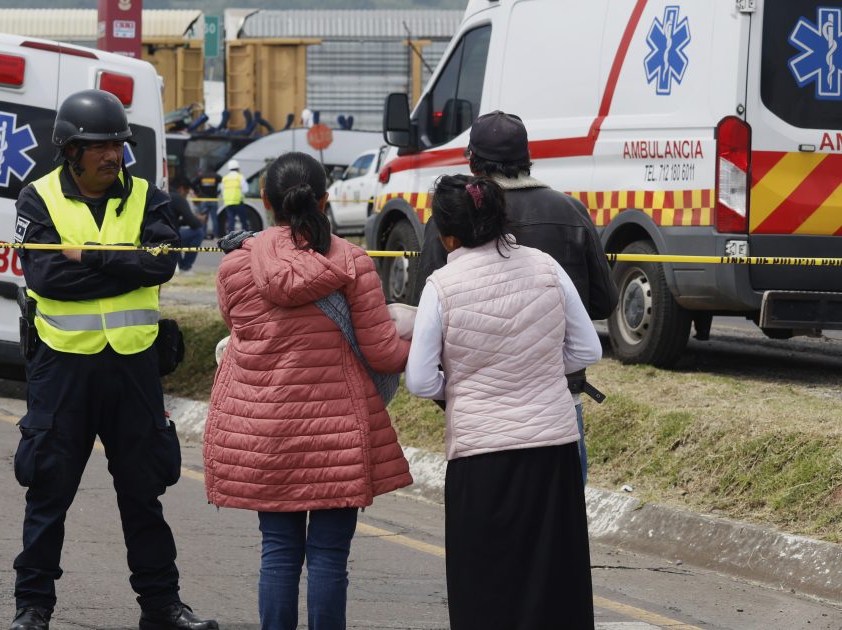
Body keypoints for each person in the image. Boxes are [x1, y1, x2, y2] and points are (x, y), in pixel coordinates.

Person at [10, 89, 218, 630]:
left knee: (143, 494)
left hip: (134, 368)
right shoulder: (38, 199)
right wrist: (123, 264)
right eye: (100, 146)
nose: (113, 155)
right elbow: (47, 276)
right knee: (48, 492)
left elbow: (161, 267)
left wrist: (91, 257)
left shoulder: (150, 197)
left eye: (119, 145)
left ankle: (162, 608)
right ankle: (32, 608)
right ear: (71, 150)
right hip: (64, 367)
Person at [204, 151, 413, 630]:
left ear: (265, 200)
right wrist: (424, 347)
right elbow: (381, 353)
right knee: (328, 557)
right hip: (336, 435)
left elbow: (239, 332)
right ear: (324, 200)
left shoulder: (234, 267)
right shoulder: (350, 260)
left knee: (277, 554)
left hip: (267, 433)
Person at [405, 174, 601, 629]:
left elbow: (419, 379)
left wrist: (459, 387)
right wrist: (544, 368)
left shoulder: (442, 285)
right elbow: (588, 350)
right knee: (553, 580)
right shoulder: (546, 267)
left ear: (447, 234)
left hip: (482, 456)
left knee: (487, 584)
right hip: (552, 449)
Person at [414, 110, 616, 485]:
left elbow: (423, 311)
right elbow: (603, 303)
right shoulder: (570, 210)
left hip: (478, 418)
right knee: (556, 531)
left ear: (471, 162)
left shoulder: (450, 220)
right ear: (527, 157)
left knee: (490, 537)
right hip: (556, 406)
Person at [170, 176, 205, 274]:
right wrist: (199, 219)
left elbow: (172, 221)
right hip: (170, 238)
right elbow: (194, 223)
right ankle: (186, 267)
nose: (186, 196)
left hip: (160, 235)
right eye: (186, 192)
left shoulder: (163, 192)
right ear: (181, 189)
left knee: (176, 233)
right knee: (199, 232)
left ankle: (179, 265)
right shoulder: (178, 198)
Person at [220, 159, 249, 232]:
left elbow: (222, 190)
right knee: (243, 220)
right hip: (238, 201)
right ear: (238, 168)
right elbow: (246, 190)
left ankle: (230, 237)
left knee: (231, 221)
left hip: (228, 202)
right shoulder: (240, 177)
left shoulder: (225, 178)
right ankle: (247, 236)